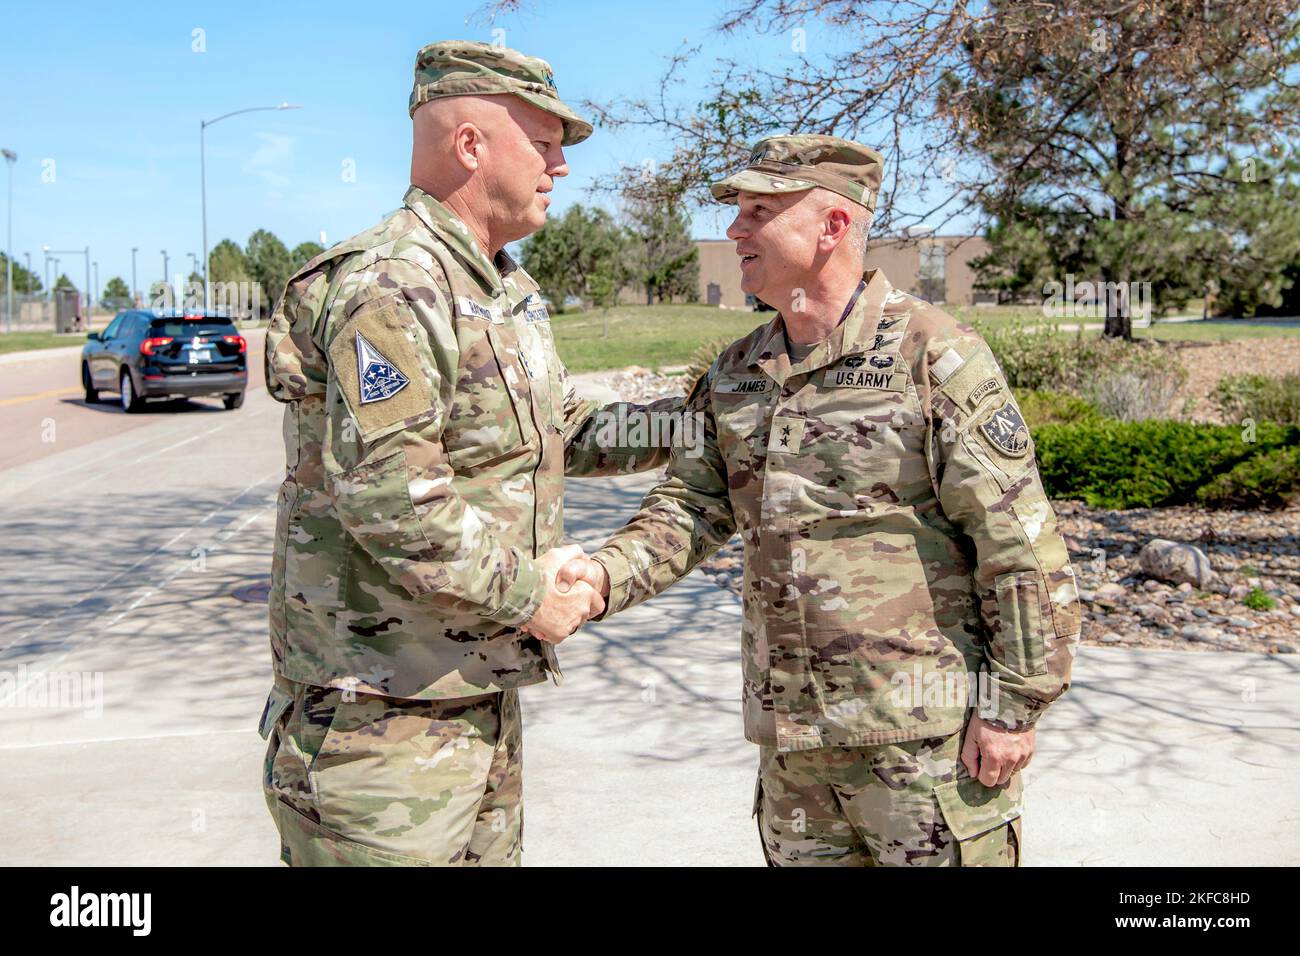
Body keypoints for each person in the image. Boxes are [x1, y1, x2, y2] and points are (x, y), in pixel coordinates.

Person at [557, 134, 1081, 866]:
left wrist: (1012, 707)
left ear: (833, 226)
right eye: (736, 212)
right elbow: (692, 506)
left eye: (758, 211)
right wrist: (604, 576)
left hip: (923, 751)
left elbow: (1018, 543)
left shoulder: (933, 355)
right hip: (792, 748)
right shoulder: (739, 370)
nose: (734, 230)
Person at [258, 39, 680, 866]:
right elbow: (391, 496)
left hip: (474, 695)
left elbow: (555, 427)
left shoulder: (502, 288)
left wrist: (692, 425)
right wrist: (531, 598)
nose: (560, 166)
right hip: (377, 724)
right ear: (471, 145)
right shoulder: (392, 284)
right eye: (545, 143)